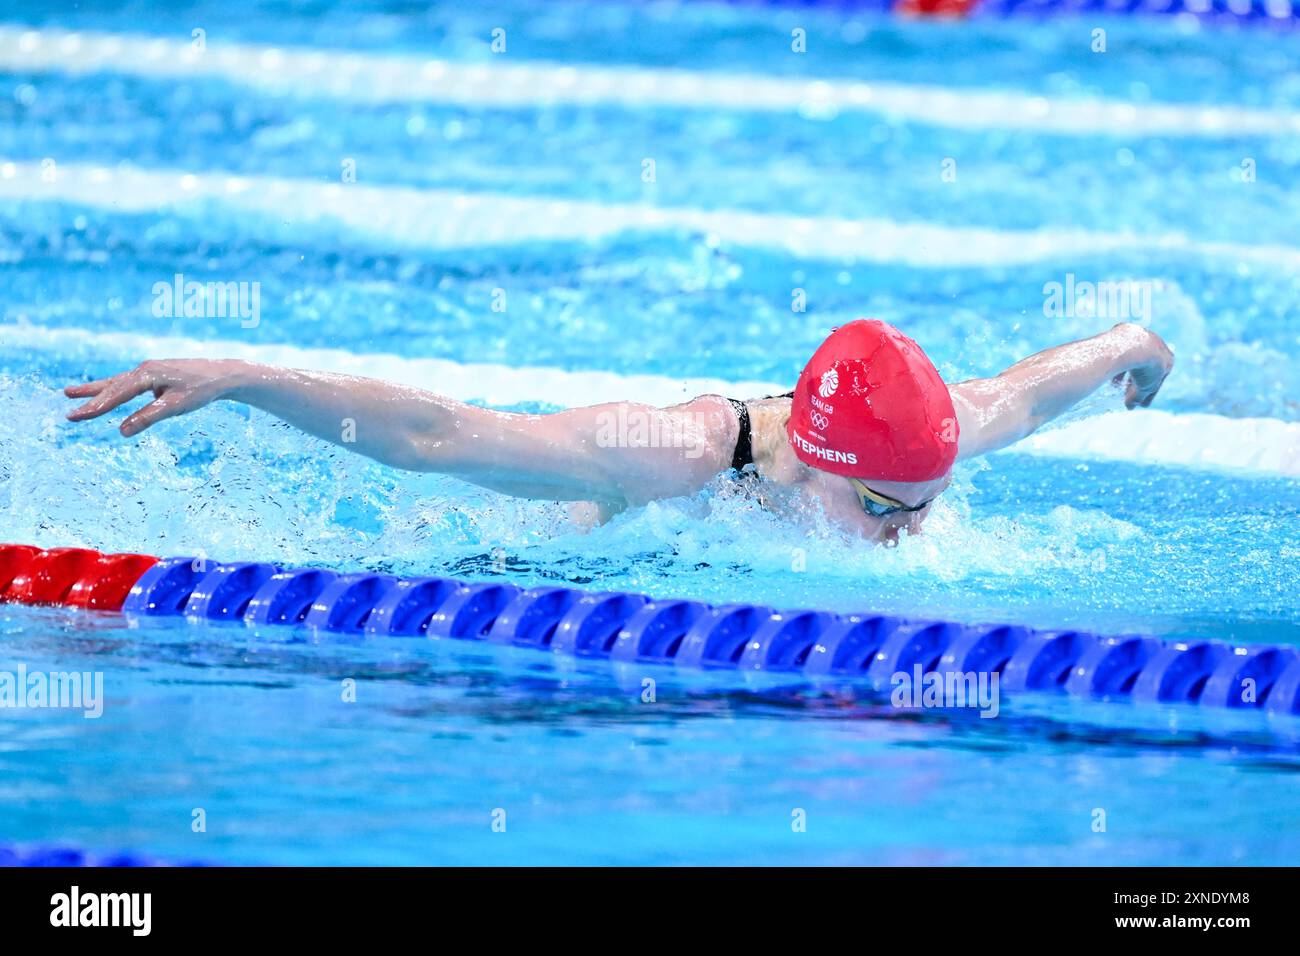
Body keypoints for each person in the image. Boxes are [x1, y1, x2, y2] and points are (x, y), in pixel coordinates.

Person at [64, 319, 1173, 543]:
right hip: (563, 558)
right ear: (823, 463)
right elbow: (440, 434)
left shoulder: (919, 443)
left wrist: (1130, 342)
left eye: (926, 507)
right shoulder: (677, 450)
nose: (911, 536)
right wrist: (245, 374)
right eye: (885, 512)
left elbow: (1021, 392)